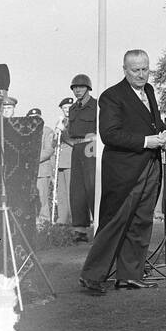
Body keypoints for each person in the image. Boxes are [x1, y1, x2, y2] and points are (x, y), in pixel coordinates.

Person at [77, 51, 166, 294]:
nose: (141, 74)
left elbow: (155, 122)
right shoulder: (111, 96)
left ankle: (129, 275)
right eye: (136, 70)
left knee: (142, 219)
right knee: (116, 220)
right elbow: (109, 134)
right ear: (125, 70)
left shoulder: (149, 91)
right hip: (124, 170)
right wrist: (145, 141)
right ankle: (92, 276)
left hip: (150, 165)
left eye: (145, 69)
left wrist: (164, 135)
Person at [64, 74, 97, 242]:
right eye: (75, 88)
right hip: (76, 147)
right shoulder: (72, 109)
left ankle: (99, 225)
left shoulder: (96, 106)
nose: (77, 90)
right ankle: (80, 229)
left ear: (88, 88)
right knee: (76, 188)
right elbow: (70, 132)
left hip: (90, 147)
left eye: (81, 87)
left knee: (92, 186)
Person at [34, 109, 57, 224]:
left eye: (37, 117)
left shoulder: (47, 131)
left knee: (42, 199)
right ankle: (34, 222)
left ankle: (44, 223)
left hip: (41, 172)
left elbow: (49, 150)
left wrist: (32, 159)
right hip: (29, 172)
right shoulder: (27, 132)